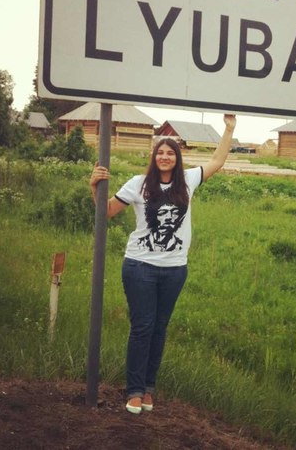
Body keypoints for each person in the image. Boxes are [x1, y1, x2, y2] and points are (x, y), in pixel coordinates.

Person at [89, 114, 237, 414]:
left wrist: (229, 128)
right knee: (142, 327)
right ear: (154, 157)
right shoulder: (138, 184)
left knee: (159, 328)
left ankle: (148, 388)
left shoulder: (188, 181)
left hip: (175, 269)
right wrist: (94, 187)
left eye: (170, 153)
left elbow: (218, 161)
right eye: (160, 152)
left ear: (177, 158)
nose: (165, 156)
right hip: (140, 266)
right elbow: (107, 212)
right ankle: (133, 390)